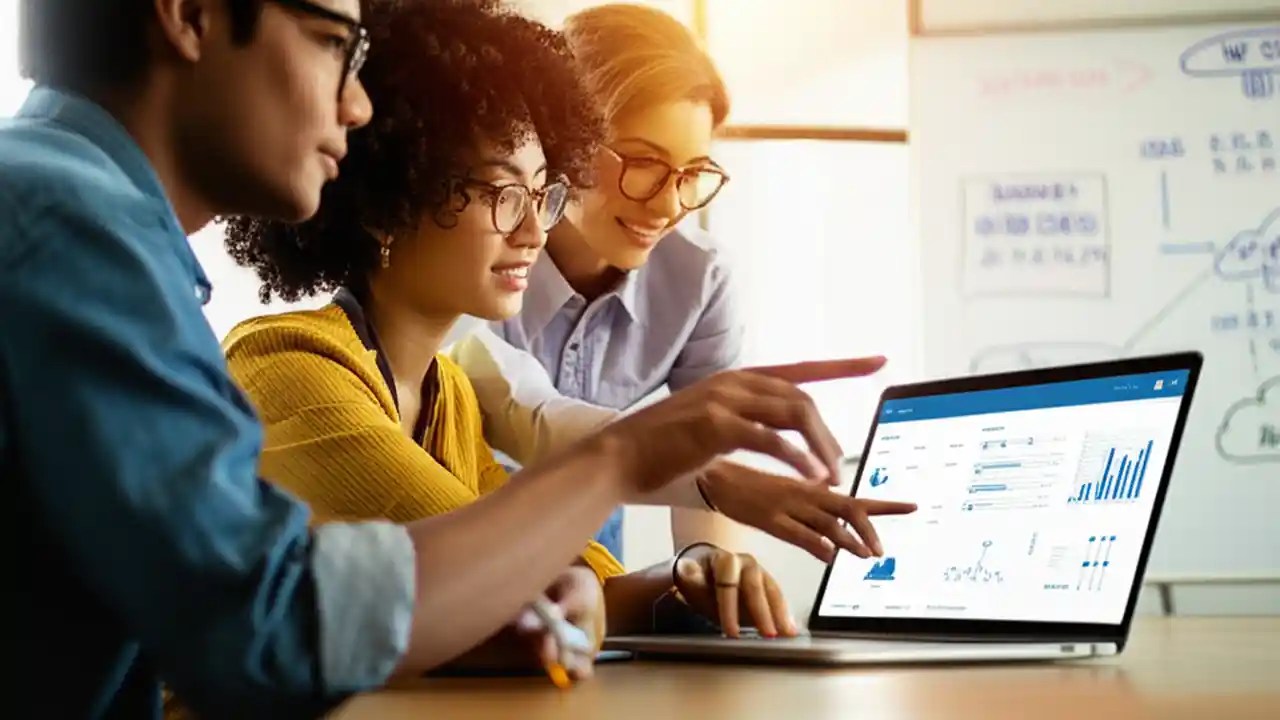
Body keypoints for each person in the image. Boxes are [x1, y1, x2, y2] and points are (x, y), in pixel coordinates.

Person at [2, 0, 903, 716]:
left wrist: (670, 583)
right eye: (328, 41)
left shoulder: (87, 220)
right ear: (189, 14)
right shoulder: (72, 231)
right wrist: (625, 459)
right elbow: (268, 623)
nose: (353, 106)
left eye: (541, 195)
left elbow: (522, 586)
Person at [221, 0, 913, 646]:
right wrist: (634, 471)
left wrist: (685, 582)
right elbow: (490, 579)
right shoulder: (288, 365)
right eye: (498, 192)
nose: (531, 230)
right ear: (384, 206)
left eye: (541, 193)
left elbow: (578, 578)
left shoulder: (448, 401)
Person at [449, 3, 821, 562]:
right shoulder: (473, 255)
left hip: (598, 565)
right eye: (644, 163)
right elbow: (524, 408)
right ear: (560, 140)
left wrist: (709, 577)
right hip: (462, 552)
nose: (670, 205)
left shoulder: (699, 281)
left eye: (693, 173)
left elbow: (703, 484)